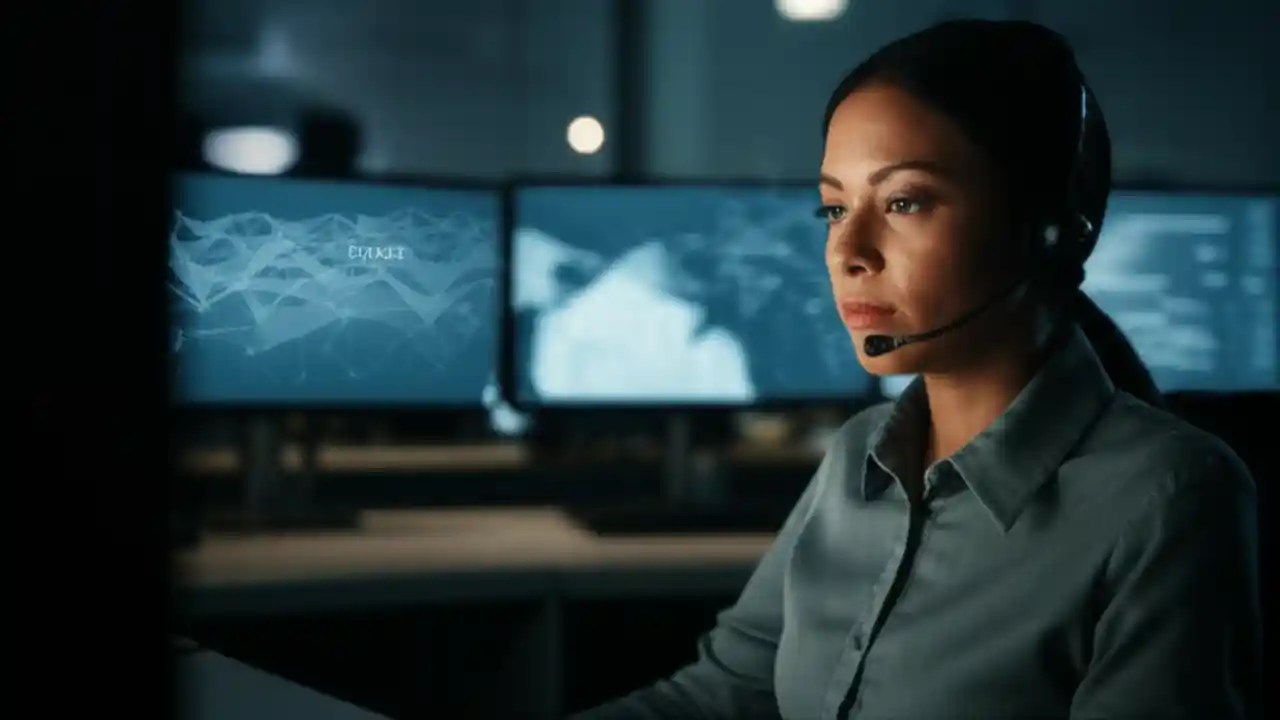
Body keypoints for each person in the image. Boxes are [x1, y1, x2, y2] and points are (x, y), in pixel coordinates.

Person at [568, 18, 1260, 720]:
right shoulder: (858, 454)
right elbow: (727, 695)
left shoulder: (1167, 496)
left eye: (904, 202)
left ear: (1050, 225)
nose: (848, 251)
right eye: (835, 207)